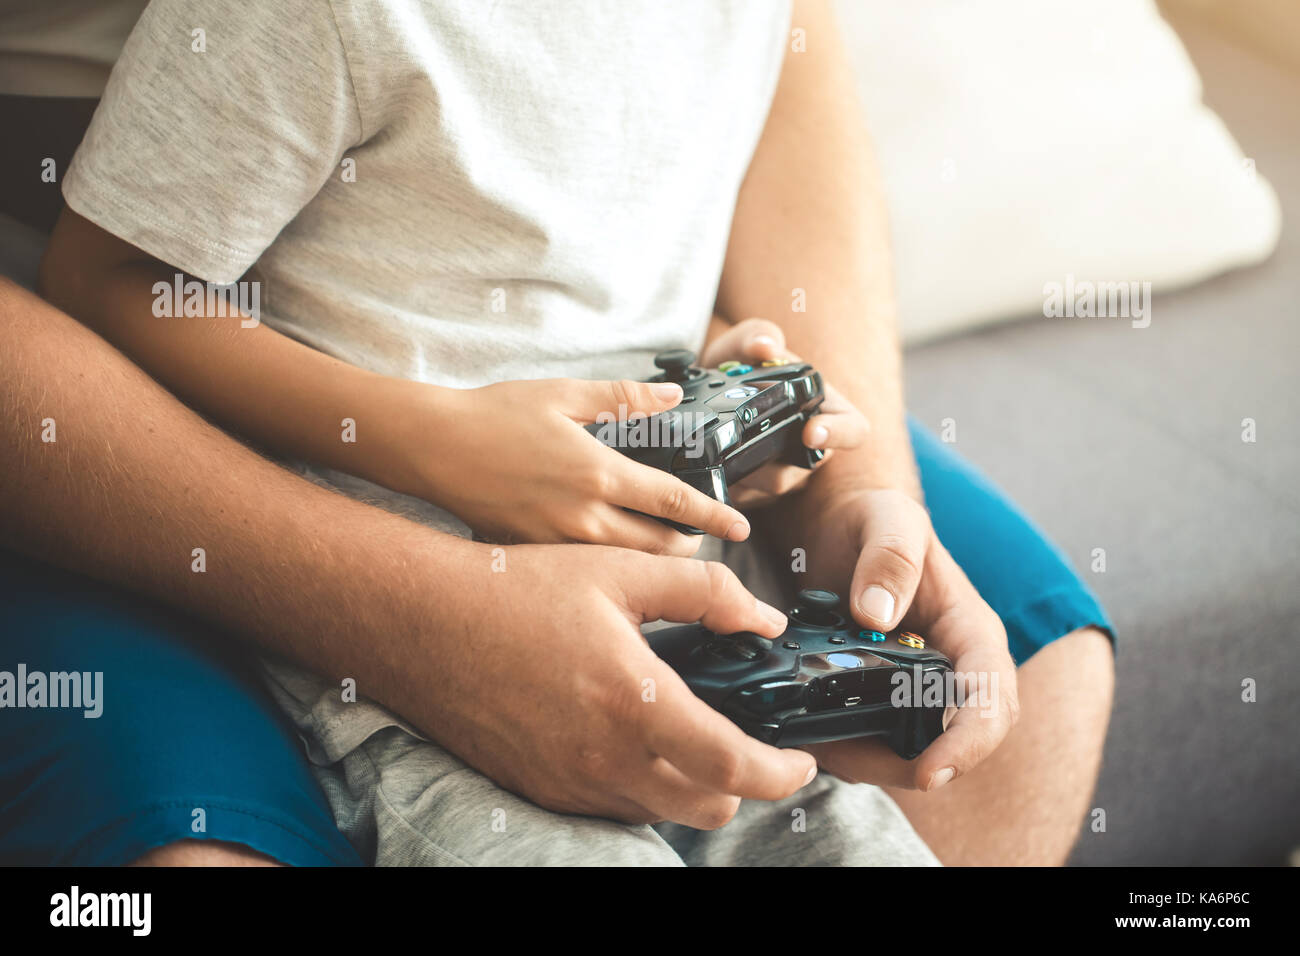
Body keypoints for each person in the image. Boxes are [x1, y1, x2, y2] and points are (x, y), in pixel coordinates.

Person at [13, 0, 1113, 865]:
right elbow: (115, 277)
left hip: (698, 622)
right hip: (409, 690)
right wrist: (430, 438)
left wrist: (803, 438)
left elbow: (628, 262)